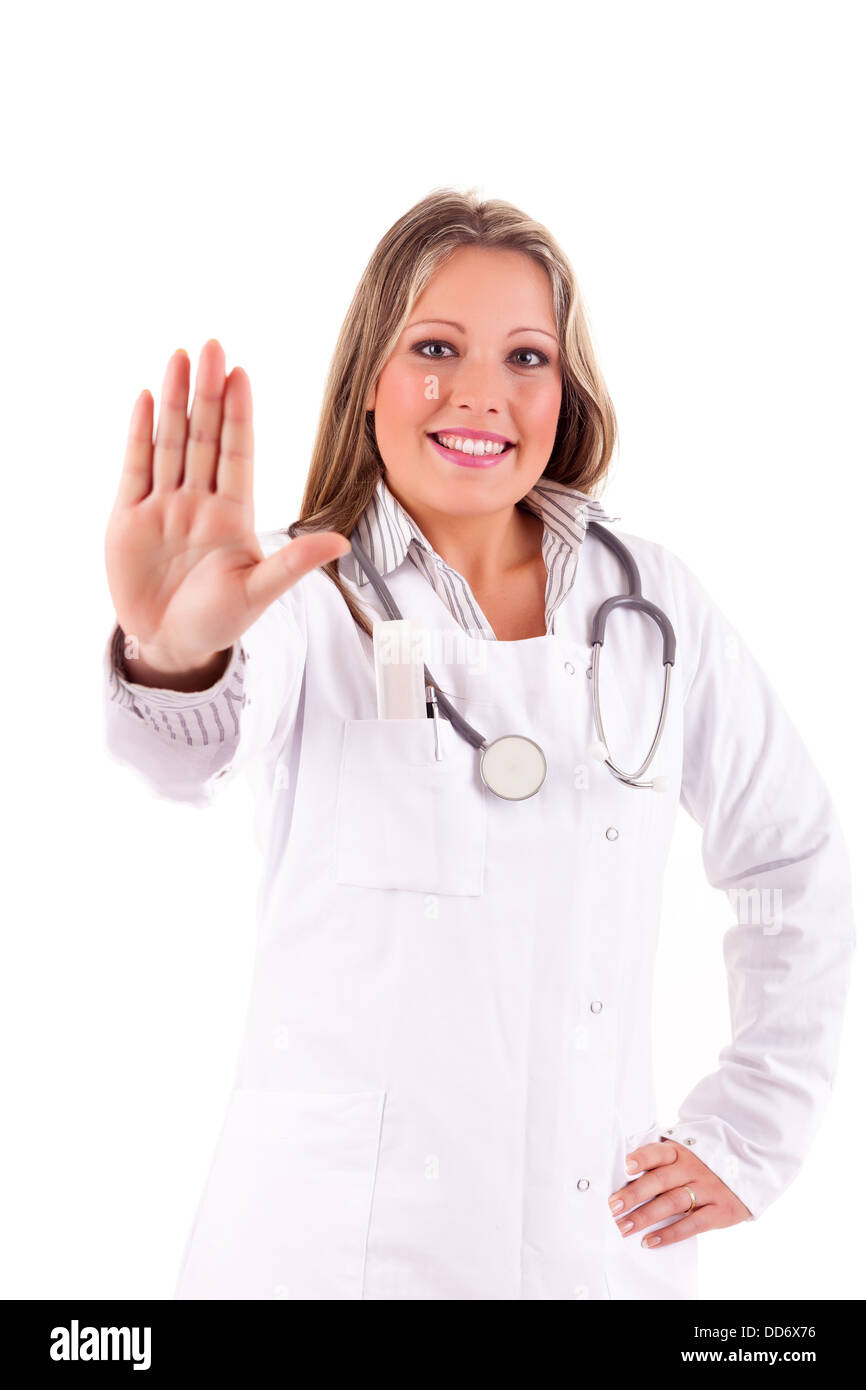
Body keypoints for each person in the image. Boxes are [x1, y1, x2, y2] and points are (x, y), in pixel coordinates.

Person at [102, 188, 855, 1301]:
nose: (480, 395)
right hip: (328, 1255)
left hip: (592, 1248)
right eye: (435, 347)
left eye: (525, 358)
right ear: (369, 378)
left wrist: (750, 1131)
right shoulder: (298, 592)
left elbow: (791, 857)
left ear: (566, 389)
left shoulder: (649, 601)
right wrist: (172, 654)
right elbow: (189, 753)